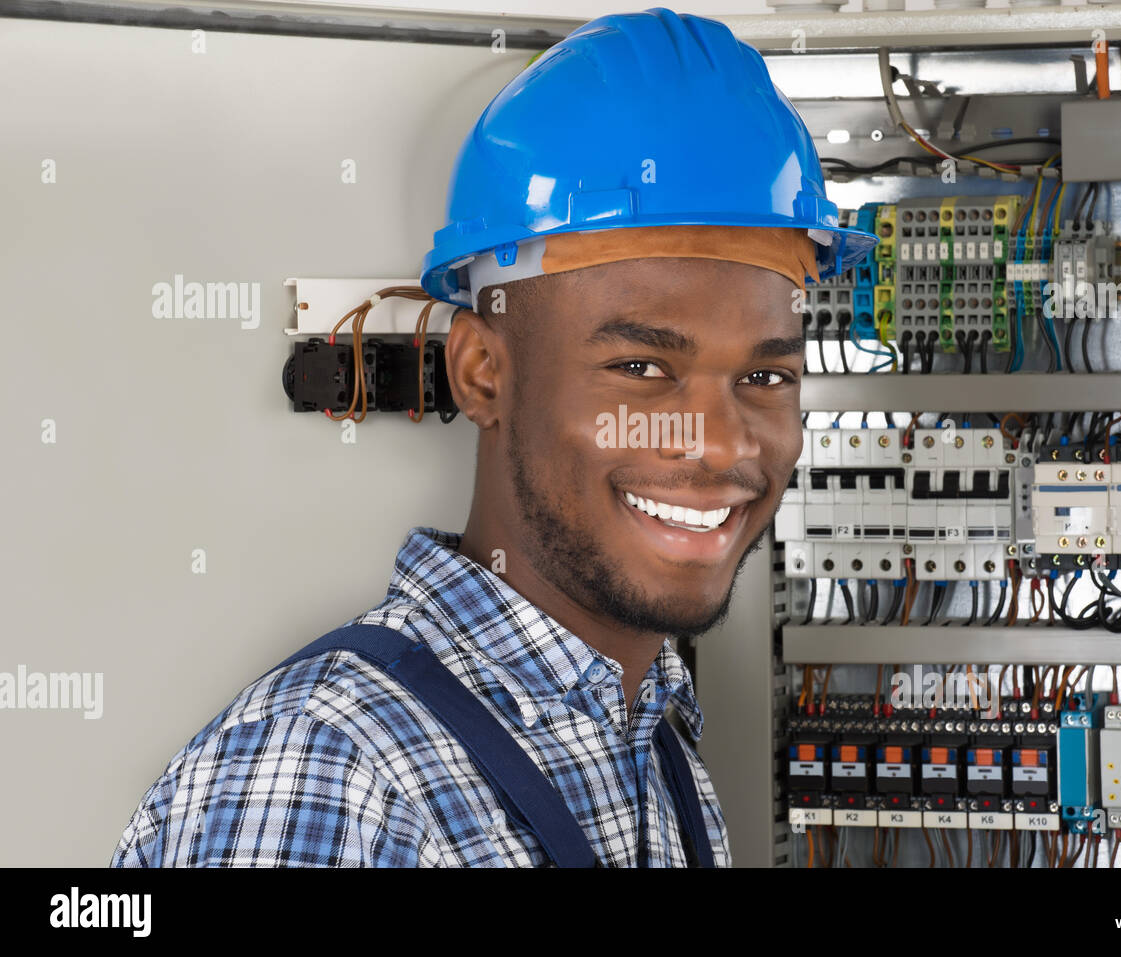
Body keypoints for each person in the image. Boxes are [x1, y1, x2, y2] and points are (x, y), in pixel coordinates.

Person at [110, 6, 874, 868]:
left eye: (764, 378)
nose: (720, 446)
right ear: (483, 375)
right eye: (640, 368)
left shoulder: (654, 745)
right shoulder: (335, 774)